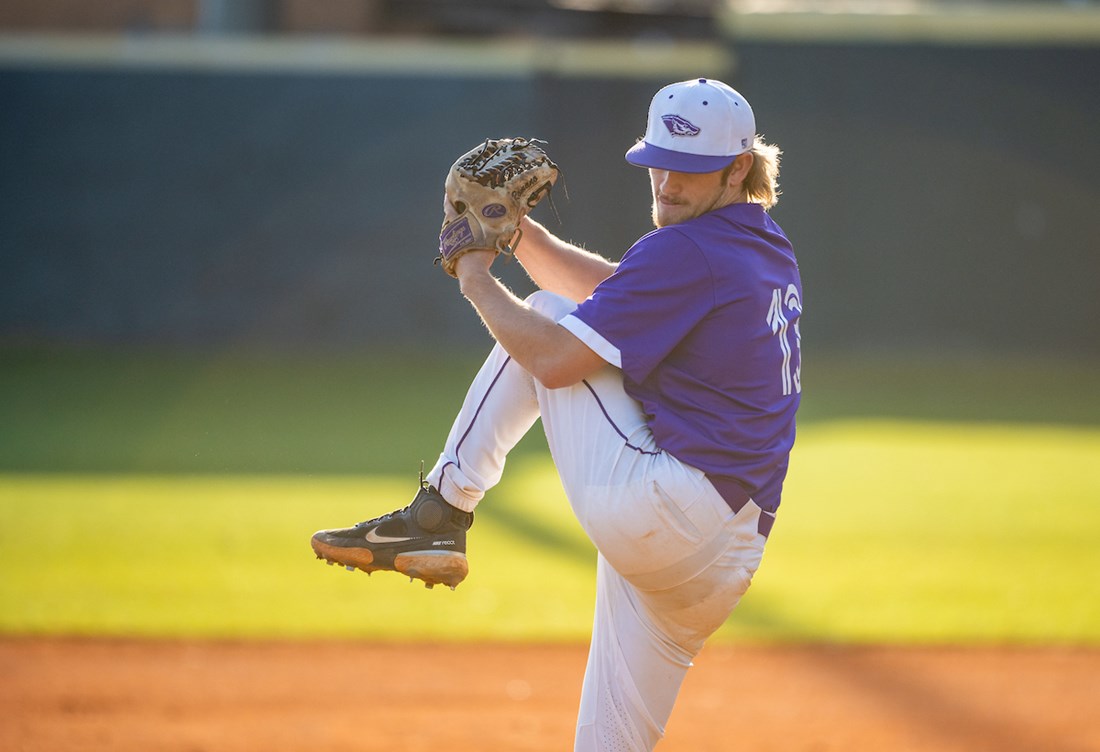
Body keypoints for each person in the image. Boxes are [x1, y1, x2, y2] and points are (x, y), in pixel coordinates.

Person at [311, 77, 802, 751]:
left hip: (669, 510)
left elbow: (553, 361)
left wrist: (476, 274)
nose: (666, 180)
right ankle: (440, 516)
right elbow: (621, 295)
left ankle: (442, 511)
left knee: (543, 320)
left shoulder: (687, 249)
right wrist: (519, 235)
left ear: (737, 167)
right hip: (723, 557)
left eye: (687, 168)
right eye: (659, 160)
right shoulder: (761, 246)